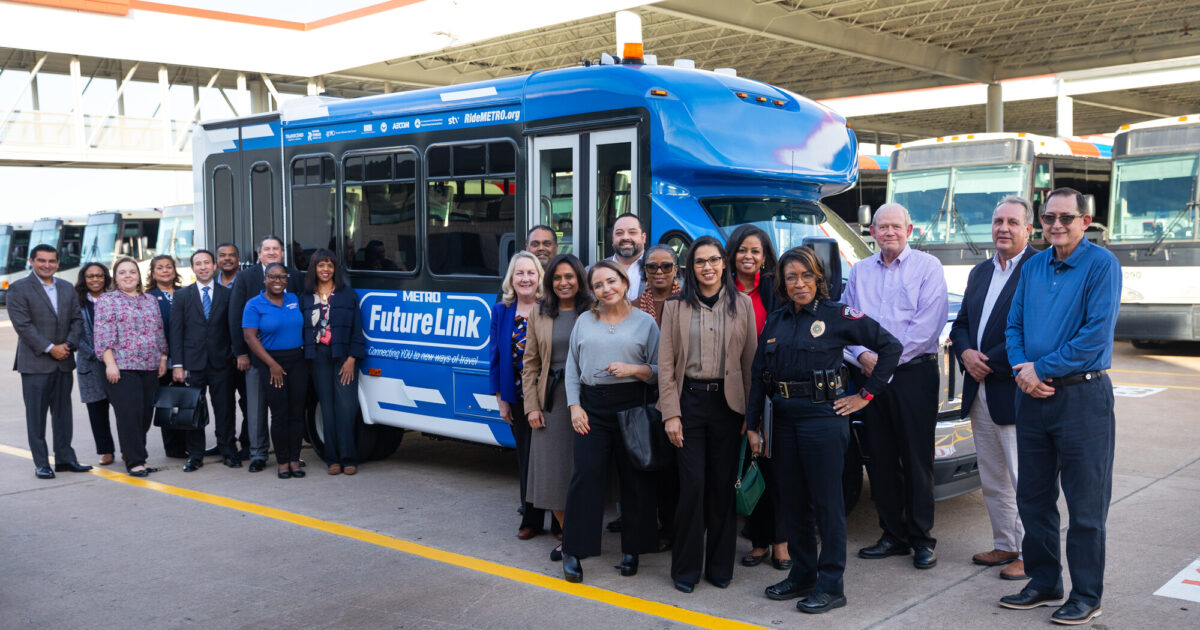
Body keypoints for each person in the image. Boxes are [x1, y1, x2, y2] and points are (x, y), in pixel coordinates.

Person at [747, 246, 902, 614]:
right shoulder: (777, 320)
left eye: (806, 276)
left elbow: (890, 346)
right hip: (783, 421)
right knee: (793, 502)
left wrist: (865, 396)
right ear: (782, 285)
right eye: (791, 277)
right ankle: (803, 574)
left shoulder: (838, 316)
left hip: (823, 420)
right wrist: (753, 426)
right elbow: (757, 377)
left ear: (819, 278)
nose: (799, 283)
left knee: (827, 504)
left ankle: (831, 585)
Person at [1000, 187, 1121, 625]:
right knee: (1032, 497)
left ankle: (1087, 594)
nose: (1056, 225)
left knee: (1086, 506)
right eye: (1049, 217)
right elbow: (1013, 325)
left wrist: (1040, 369)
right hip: (1031, 396)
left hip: (1080, 400)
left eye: (1065, 218)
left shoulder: (1102, 265)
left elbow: (1094, 336)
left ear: (1084, 222)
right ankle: (1044, 581)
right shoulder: (1033, 267)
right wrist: (1021, 368)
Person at [842, 203, 948, 570]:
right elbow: (847, 321)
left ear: (910, 229)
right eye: (881, 226)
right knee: (881, 458)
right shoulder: (859, 272)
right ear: (871, 232)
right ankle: (892, 535)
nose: (889, 232)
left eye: (896, 226)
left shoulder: (927, 268)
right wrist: (860, 355)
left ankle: (921, 539)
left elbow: (926, 327)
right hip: (869, 374)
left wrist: (882, 361)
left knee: (917, 459)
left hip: (913, 375)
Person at [657, 236, 757, 593]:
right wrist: (671, 414)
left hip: (728, 407)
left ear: (724, 264)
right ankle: (685, 570)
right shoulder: (673, 307)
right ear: (691, 267)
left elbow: (750, 365)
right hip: (689, 405)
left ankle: (719, 568)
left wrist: (751, 415)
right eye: (700, 262)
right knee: (693, 486)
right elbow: (665, 366)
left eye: (714, 260)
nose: (708, 267)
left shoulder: (742, 305)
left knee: (720, 489)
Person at [949, 196, 1037, 581]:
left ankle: (1033, 553)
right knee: (992, 478)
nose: (1003, 228)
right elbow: (962, 323)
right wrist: (966, 352)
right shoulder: (980, 271)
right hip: (979, 390)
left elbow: (1035, 330)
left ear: (1028, 229)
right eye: (998, 220)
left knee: (1024, 480)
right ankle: (1006, 544)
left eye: (1012, 222)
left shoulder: (1039, 268)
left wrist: (988, 361)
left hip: (1013, 389)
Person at [561, 260, 660, 583]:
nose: (606, 289)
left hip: (632, 405)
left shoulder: (646, 323)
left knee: (635, 479)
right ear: (593, 291)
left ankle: (633, 548)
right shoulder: (584, 322)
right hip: (592, 407)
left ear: (624, 282)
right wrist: (575, 406)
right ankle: (574, 549)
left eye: (611, 281)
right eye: (599, 285)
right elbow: (572, 368)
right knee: (586, 477)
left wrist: (633, 369)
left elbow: (660, 370)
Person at [726, 223, 790, 571]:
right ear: (731, 253)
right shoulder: (721, 288)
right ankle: (758, 541)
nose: (748, 256)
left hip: (769, 392)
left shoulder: (774, 290)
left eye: (756, 251)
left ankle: (780, 542)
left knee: (773, 468)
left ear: (765, 257)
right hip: (730, 391)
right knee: (746, 466)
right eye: (742, 249)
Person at [523, 253, 592, 562]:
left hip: (587, 401)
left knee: (582, 469)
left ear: (579, 279)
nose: (564, 282)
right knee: (552, 471)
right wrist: (531, 407)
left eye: (570, 277)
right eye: (557, 278)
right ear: (550, 282)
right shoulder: (540, 313)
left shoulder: (593, 310)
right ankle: (569, 536)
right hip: (551, 400)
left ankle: (581, 533)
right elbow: (531, 363)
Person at [9, 244, 88, 479]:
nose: (47, 265)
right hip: (35, 363)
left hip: (63, 361)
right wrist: (50, 348)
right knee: (37, 416)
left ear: (57, 263)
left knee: (63, 414)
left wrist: (68, 346)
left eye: (52, 261)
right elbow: (23, 326)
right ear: (32, 261)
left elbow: (77, 320)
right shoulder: (18, 288)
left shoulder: (66, 287)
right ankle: (42, 463)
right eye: (41, 260)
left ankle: (65, 459)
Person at [229, 236, 302, 473]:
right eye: (267, 249)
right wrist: (241, 352)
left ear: (282, 253)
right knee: (257, 406)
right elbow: (235, 316)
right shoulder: (245, 277)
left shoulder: (294, 277)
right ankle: (258, 453)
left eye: (276, 249)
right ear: (259, 254)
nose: (271, 252)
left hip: (294, 358)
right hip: (258, 356)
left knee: (289, 410)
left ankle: (291, 457)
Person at [489, 251, 548, 538]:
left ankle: (560, 521)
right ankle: (531, 520)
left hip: (550, 395)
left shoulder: (550, 307)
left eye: (531, 272)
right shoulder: (501, 310)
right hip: (517, 395)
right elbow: (496, 357)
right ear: (511, 279)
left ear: (539, 277)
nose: (525, 278)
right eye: (519, 273)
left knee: (551, 457)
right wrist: (502, 399)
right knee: (526, 457)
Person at [95, 256, 169, 477]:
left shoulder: (150, 300)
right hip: (120, 366)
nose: (128, 276)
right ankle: (136, 461)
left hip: (149, 365)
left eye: (132, 272)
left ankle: (131, 452)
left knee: (145, 414)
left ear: (139, 277)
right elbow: (102, 335)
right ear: (115, 278)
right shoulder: (108, 301)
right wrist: (110, 364)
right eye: (122, 272)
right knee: (129, 414)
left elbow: (158, 331)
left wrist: (163, 358)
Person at [169, 249, 239, 471]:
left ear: (214, 266)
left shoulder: (228, 294)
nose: (203, 267)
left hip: (222, 362)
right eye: (198, 263)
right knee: (193, 411)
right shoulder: (181, 296)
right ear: (192, 268)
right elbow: (176, 332)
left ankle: (228, 450)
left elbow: (232, 329)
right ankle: (195, 454)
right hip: (192, 363)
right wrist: (178, 364)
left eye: (207, 263)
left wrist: (235, 355)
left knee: (225, 409)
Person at [301, 248, 365, 476]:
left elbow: (358, 331)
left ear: (335, 268)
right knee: (326, 408)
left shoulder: (348, 295)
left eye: (329, 265)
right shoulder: (306, 296)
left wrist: (351, 359)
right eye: (321, 265)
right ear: (314, 269)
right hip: (318, 356)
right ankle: (332, 459)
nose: (325, 270)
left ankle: (349, 458)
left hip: (343, 357)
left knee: (346, 408)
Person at [242, 262, 308, 480]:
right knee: (280, 414)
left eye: (282, 277)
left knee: (297, 414)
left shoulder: (294, 300)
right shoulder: (254, 305)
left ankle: (294, 460)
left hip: (297, 361)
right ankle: (282, 462)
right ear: (265, 279)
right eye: (273, 277)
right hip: (271, 364)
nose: (278, 281)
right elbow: (250, 337)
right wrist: (271, 364)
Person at [210, 242, 250, 460]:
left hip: (243, 354)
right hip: (219, 357)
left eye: (232, 255)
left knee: (248, 403)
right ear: (217, 260)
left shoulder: (246, 281)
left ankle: (247, 444)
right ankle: (224, 443)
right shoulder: (210, 285)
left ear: (238, 259)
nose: (227, 259)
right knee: (223, 405)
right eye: (222, 255)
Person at [146, 254, 187, 459]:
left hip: (186, 358)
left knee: (188, 402)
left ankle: (190, 443)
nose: (165, 270)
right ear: (153, 273)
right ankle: (173, 448)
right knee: (168, 404)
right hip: (162, 360)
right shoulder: (148, 297)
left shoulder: (185, 293)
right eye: (160, 267)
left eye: (169, 267)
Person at [75, 262, 115, 466]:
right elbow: (73, 333)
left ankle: (129, 448)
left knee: (124, 410)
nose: (95, 279)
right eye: (91, 276)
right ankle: (106, 450)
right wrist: (96, 353)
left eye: (99, 275)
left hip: (117, 362)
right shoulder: (76, 302)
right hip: (89, 363)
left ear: (106, 278)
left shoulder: (116, 298)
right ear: (84, 279)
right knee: (97, 411)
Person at [634, 244, 681, 325]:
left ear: (675, 270)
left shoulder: (689, 303)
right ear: (645, 271)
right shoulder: (633, 308)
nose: (659, 272)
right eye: (652, 267)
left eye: (666, 266)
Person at [607, 214, 646, 300]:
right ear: (613, 239)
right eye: (619, 233)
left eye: (632, 232)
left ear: (643, 238)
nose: (625, 237)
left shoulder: (665, 270)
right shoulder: (593, 271)